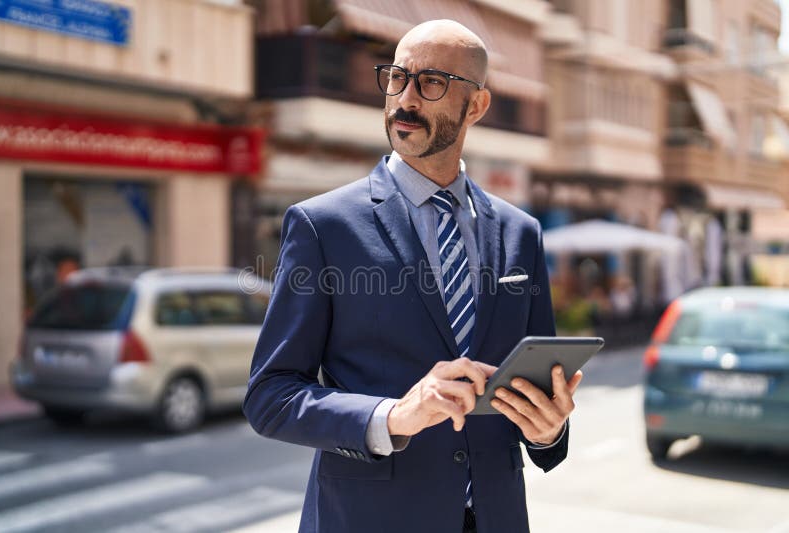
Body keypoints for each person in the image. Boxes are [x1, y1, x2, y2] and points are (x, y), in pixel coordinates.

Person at [243, 19, 582, 533]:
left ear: (477, 106)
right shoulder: (322, 226)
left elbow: (532, 390)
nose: (405, 99)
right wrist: (393, 415)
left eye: (431, 83)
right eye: (397, 78)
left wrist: (548, 431)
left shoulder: (522, 232)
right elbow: (271, 397)